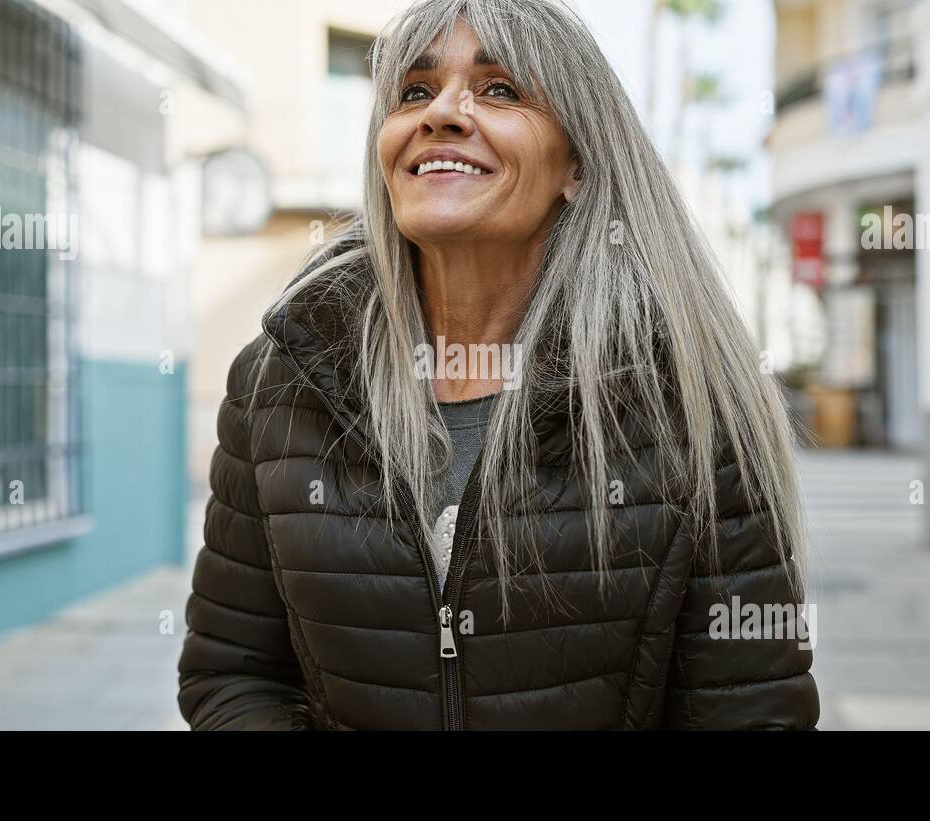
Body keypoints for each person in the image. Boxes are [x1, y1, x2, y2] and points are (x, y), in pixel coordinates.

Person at [177, 0, 818, 730]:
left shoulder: (688, 399)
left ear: (576, 164)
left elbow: (754, 711)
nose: (442, 112)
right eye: (414, 92)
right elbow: (230, 676)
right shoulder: (277, 382)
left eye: (501, 89)